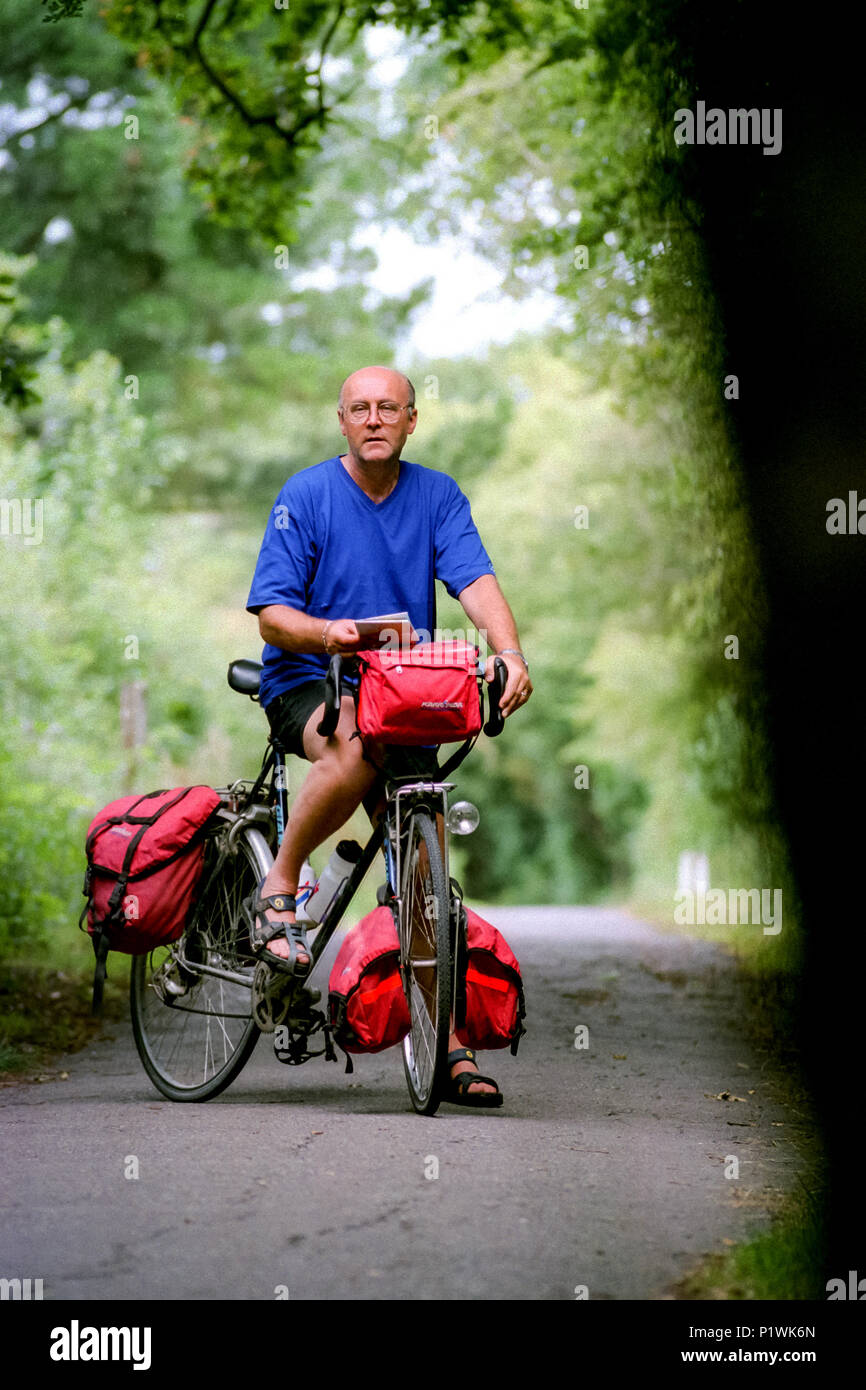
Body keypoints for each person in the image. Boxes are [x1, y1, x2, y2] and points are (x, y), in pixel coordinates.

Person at [245, 365, 533, 1104]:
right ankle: (280, 884)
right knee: (353, 745)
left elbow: (474, 581)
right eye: (360, 409)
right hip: (308, 679)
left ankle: (450, 1047)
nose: (374, 419)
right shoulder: (305, 495)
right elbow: (273, 615)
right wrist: (329, 634)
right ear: (341, 421)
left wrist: (508, 652)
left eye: (389, 408)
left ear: (411, 422)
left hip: (403, 689)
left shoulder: (437, 496)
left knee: (423, 864)